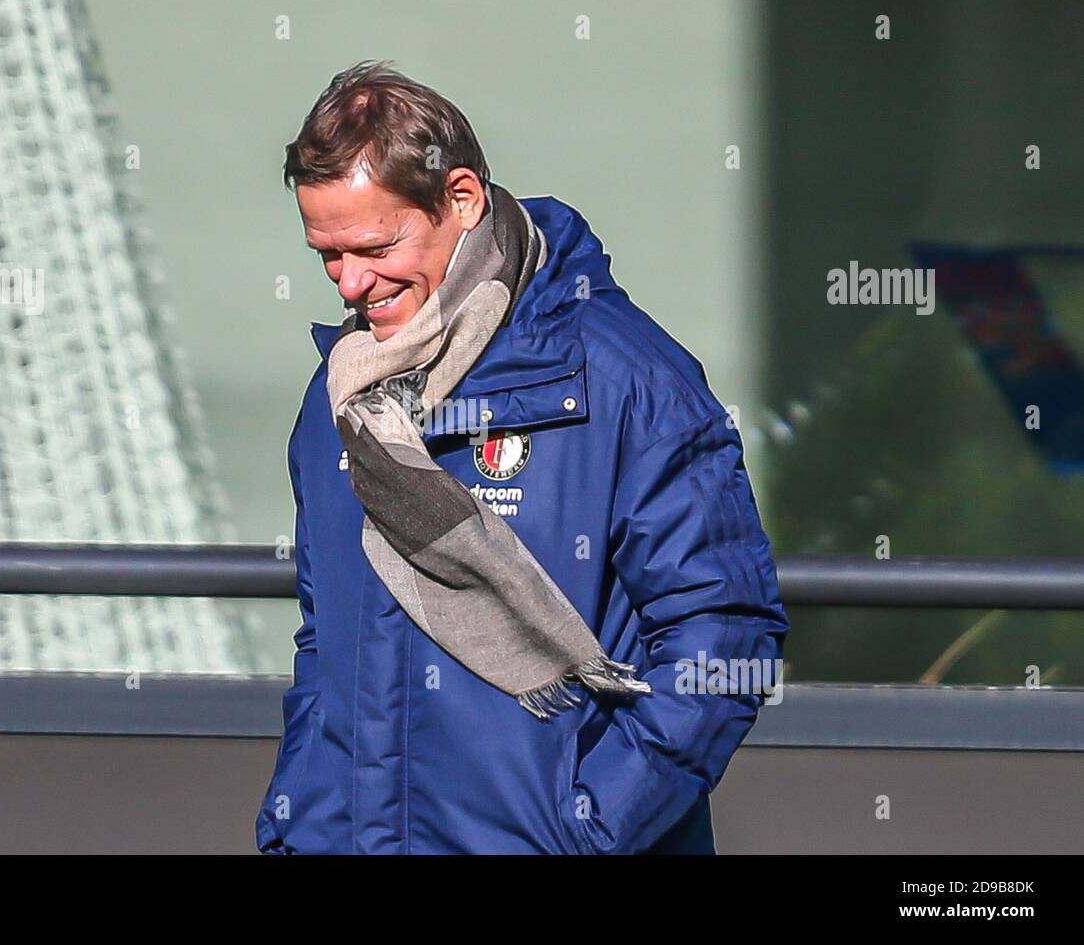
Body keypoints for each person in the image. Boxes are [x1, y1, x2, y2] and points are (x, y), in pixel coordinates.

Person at [255, 60, 790, 854]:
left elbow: (724, 633)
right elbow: (323, 642)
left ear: (461, 199)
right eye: (326, 255)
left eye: (374, 245)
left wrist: (590, 828)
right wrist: (298, 820)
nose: (351, 284)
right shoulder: (341, 395)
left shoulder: (623, 380)